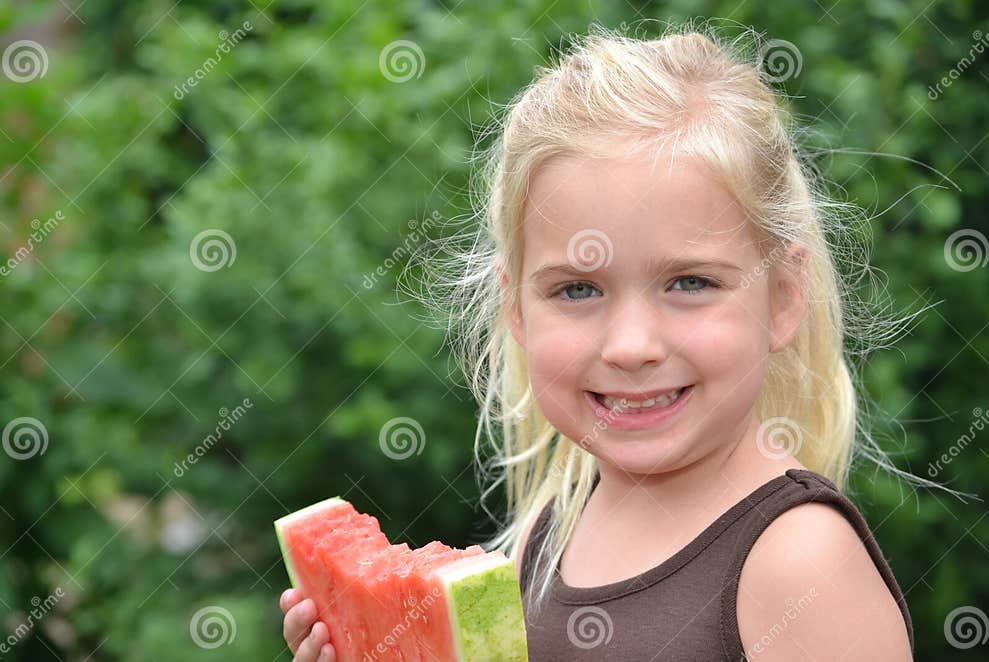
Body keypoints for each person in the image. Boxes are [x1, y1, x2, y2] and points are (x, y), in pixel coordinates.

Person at [281, 22, 945, 660]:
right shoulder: (554, 532)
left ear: (782, 298)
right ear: (516, 307)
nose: (631, 346)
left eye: (689, 282)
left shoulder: (799, 561)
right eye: (577, 290)